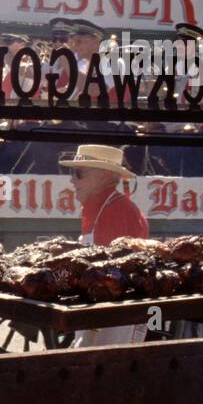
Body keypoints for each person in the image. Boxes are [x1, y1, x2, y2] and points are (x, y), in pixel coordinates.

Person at [59, 144, 149, 348]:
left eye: (78, 173)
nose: (72, 179)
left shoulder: (116, 211)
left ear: (103, 175)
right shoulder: (104, 206)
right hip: (102, 314)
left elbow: (107, 274)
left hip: (115, 319)